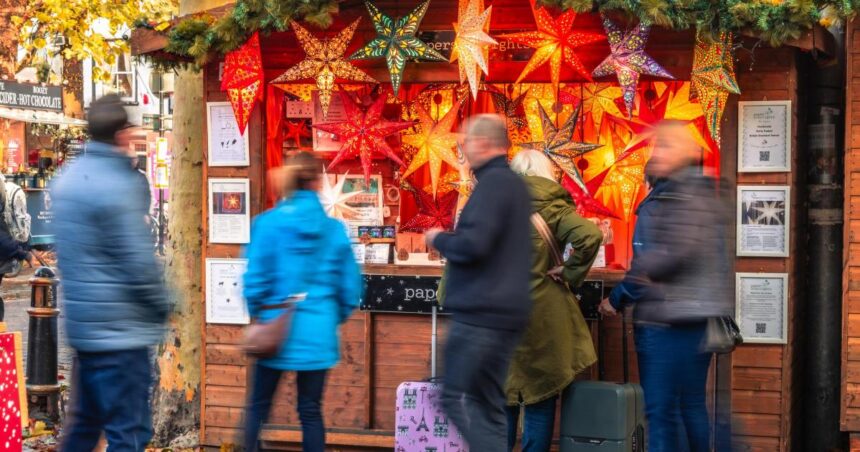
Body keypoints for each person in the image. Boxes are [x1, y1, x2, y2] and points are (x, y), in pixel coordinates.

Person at [599, 121, 732, 452]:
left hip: (664, 321)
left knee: (660, 413)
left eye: (665, 147)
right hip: (698, 321)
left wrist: (616, 299)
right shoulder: (706, 194)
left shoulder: (663, 201)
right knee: (692, 406)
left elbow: (648, 265)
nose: (658, 153)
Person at [54, 94, 169, 451]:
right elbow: (138, 261)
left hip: (84, 330)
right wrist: (163, 305)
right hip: (122, 332)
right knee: (127, 432)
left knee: (84, 429)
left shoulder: (66, 180)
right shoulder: (117, 185)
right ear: (122, 134)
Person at [425, 114, 532, 451]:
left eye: (467, 142)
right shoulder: (511, 184)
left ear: (483, 144)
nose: (463, 149)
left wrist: (439, 238)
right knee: (488, 405)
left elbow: (474, 245)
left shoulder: (494, 185)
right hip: (503, 314)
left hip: (480, 314)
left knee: (454, 397)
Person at [242, 152, 362, 452]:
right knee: (310, 411)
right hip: (318, 332)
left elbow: (254, 281)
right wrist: (329, 317)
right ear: (318, 182)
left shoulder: (266, 224)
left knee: (258, 407)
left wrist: (261, 313)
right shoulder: (335, 230)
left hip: (275, 330)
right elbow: (350, 288)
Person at [506, 150, 602, 452]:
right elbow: (590, 236)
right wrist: (570, 271)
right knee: (541, 395)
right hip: (543, 314)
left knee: (501, 396)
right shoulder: (554, 205)